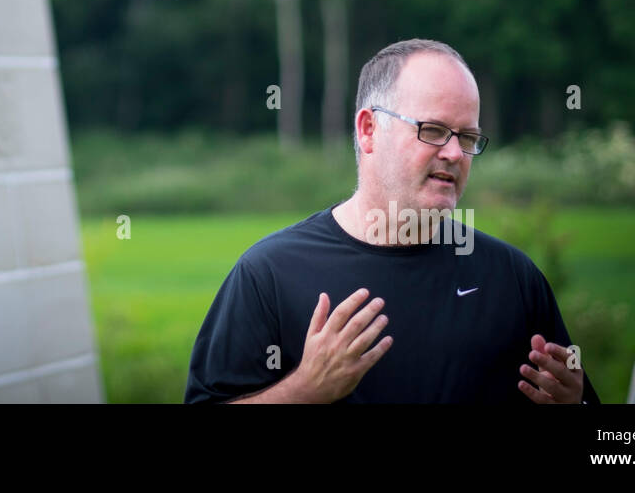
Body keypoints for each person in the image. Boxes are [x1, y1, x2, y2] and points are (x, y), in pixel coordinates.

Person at [184, 38, 600, 404]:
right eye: (433, 130)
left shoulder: (512, 278)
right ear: (368, 130)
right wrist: (305, 391)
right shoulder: (269, 274)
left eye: (468, 137)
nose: (455, 154)